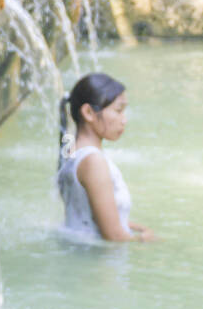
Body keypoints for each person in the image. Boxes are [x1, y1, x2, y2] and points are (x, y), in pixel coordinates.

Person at [56, 73, 156, 242]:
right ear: (88, 112)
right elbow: (114, 237)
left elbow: (87, 217)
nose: (124, 120)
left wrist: (136, 228)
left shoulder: (71, 153)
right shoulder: (93, 161)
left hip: (84, 257)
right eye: (118, 110)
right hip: (102, 263)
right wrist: (148, 242)